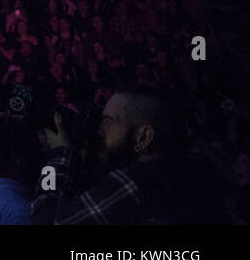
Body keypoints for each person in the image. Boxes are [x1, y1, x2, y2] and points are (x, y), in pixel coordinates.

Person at [31, 89, 183, 224]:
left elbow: (44, 220)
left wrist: (60, 154)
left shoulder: (137, 182)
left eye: (108, 122)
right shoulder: (174, 175)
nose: (99, 131)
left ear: (144, 137)